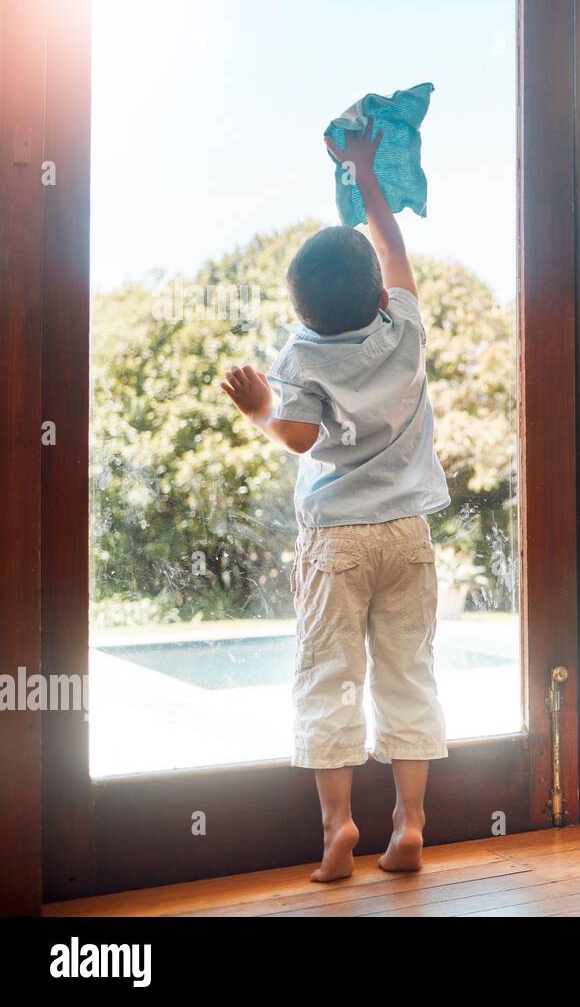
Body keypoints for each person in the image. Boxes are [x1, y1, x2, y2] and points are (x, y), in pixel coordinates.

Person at [221, 118, 450, 881]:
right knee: (408, 674)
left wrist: (259, 407)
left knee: (329, 676)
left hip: (338, 543)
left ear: (302, 312)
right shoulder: (405, 328)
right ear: (379, 294)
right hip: (408, 536)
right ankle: (411, 822)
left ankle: (337, 828)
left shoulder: (301, 353)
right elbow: (393, 244)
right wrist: (365, 170)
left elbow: (295, 437)